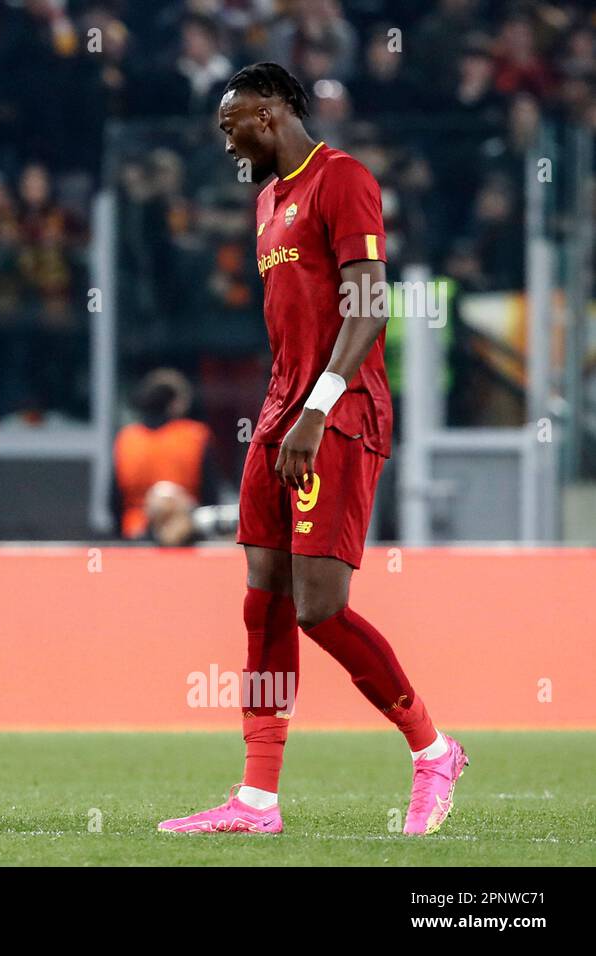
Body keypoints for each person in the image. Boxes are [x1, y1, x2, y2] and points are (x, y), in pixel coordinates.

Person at [158, 64, 467, 837]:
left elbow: (367, 305)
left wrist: (318, 411)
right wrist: (285, 411)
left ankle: (433, 749)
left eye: (231, 127)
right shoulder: (264, 200)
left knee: (320, 608)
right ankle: (257, 799)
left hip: (340, 408)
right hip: (280, 409)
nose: (227, 143)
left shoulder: (343, 179)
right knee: (262, 598)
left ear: (269, 112)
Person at [113, 368, 220, 539]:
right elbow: (211, 495)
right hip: (184, 531)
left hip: (135, 532)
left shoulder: (127, 438)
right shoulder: (195, 436)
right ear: (175, 403)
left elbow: (114, 501)